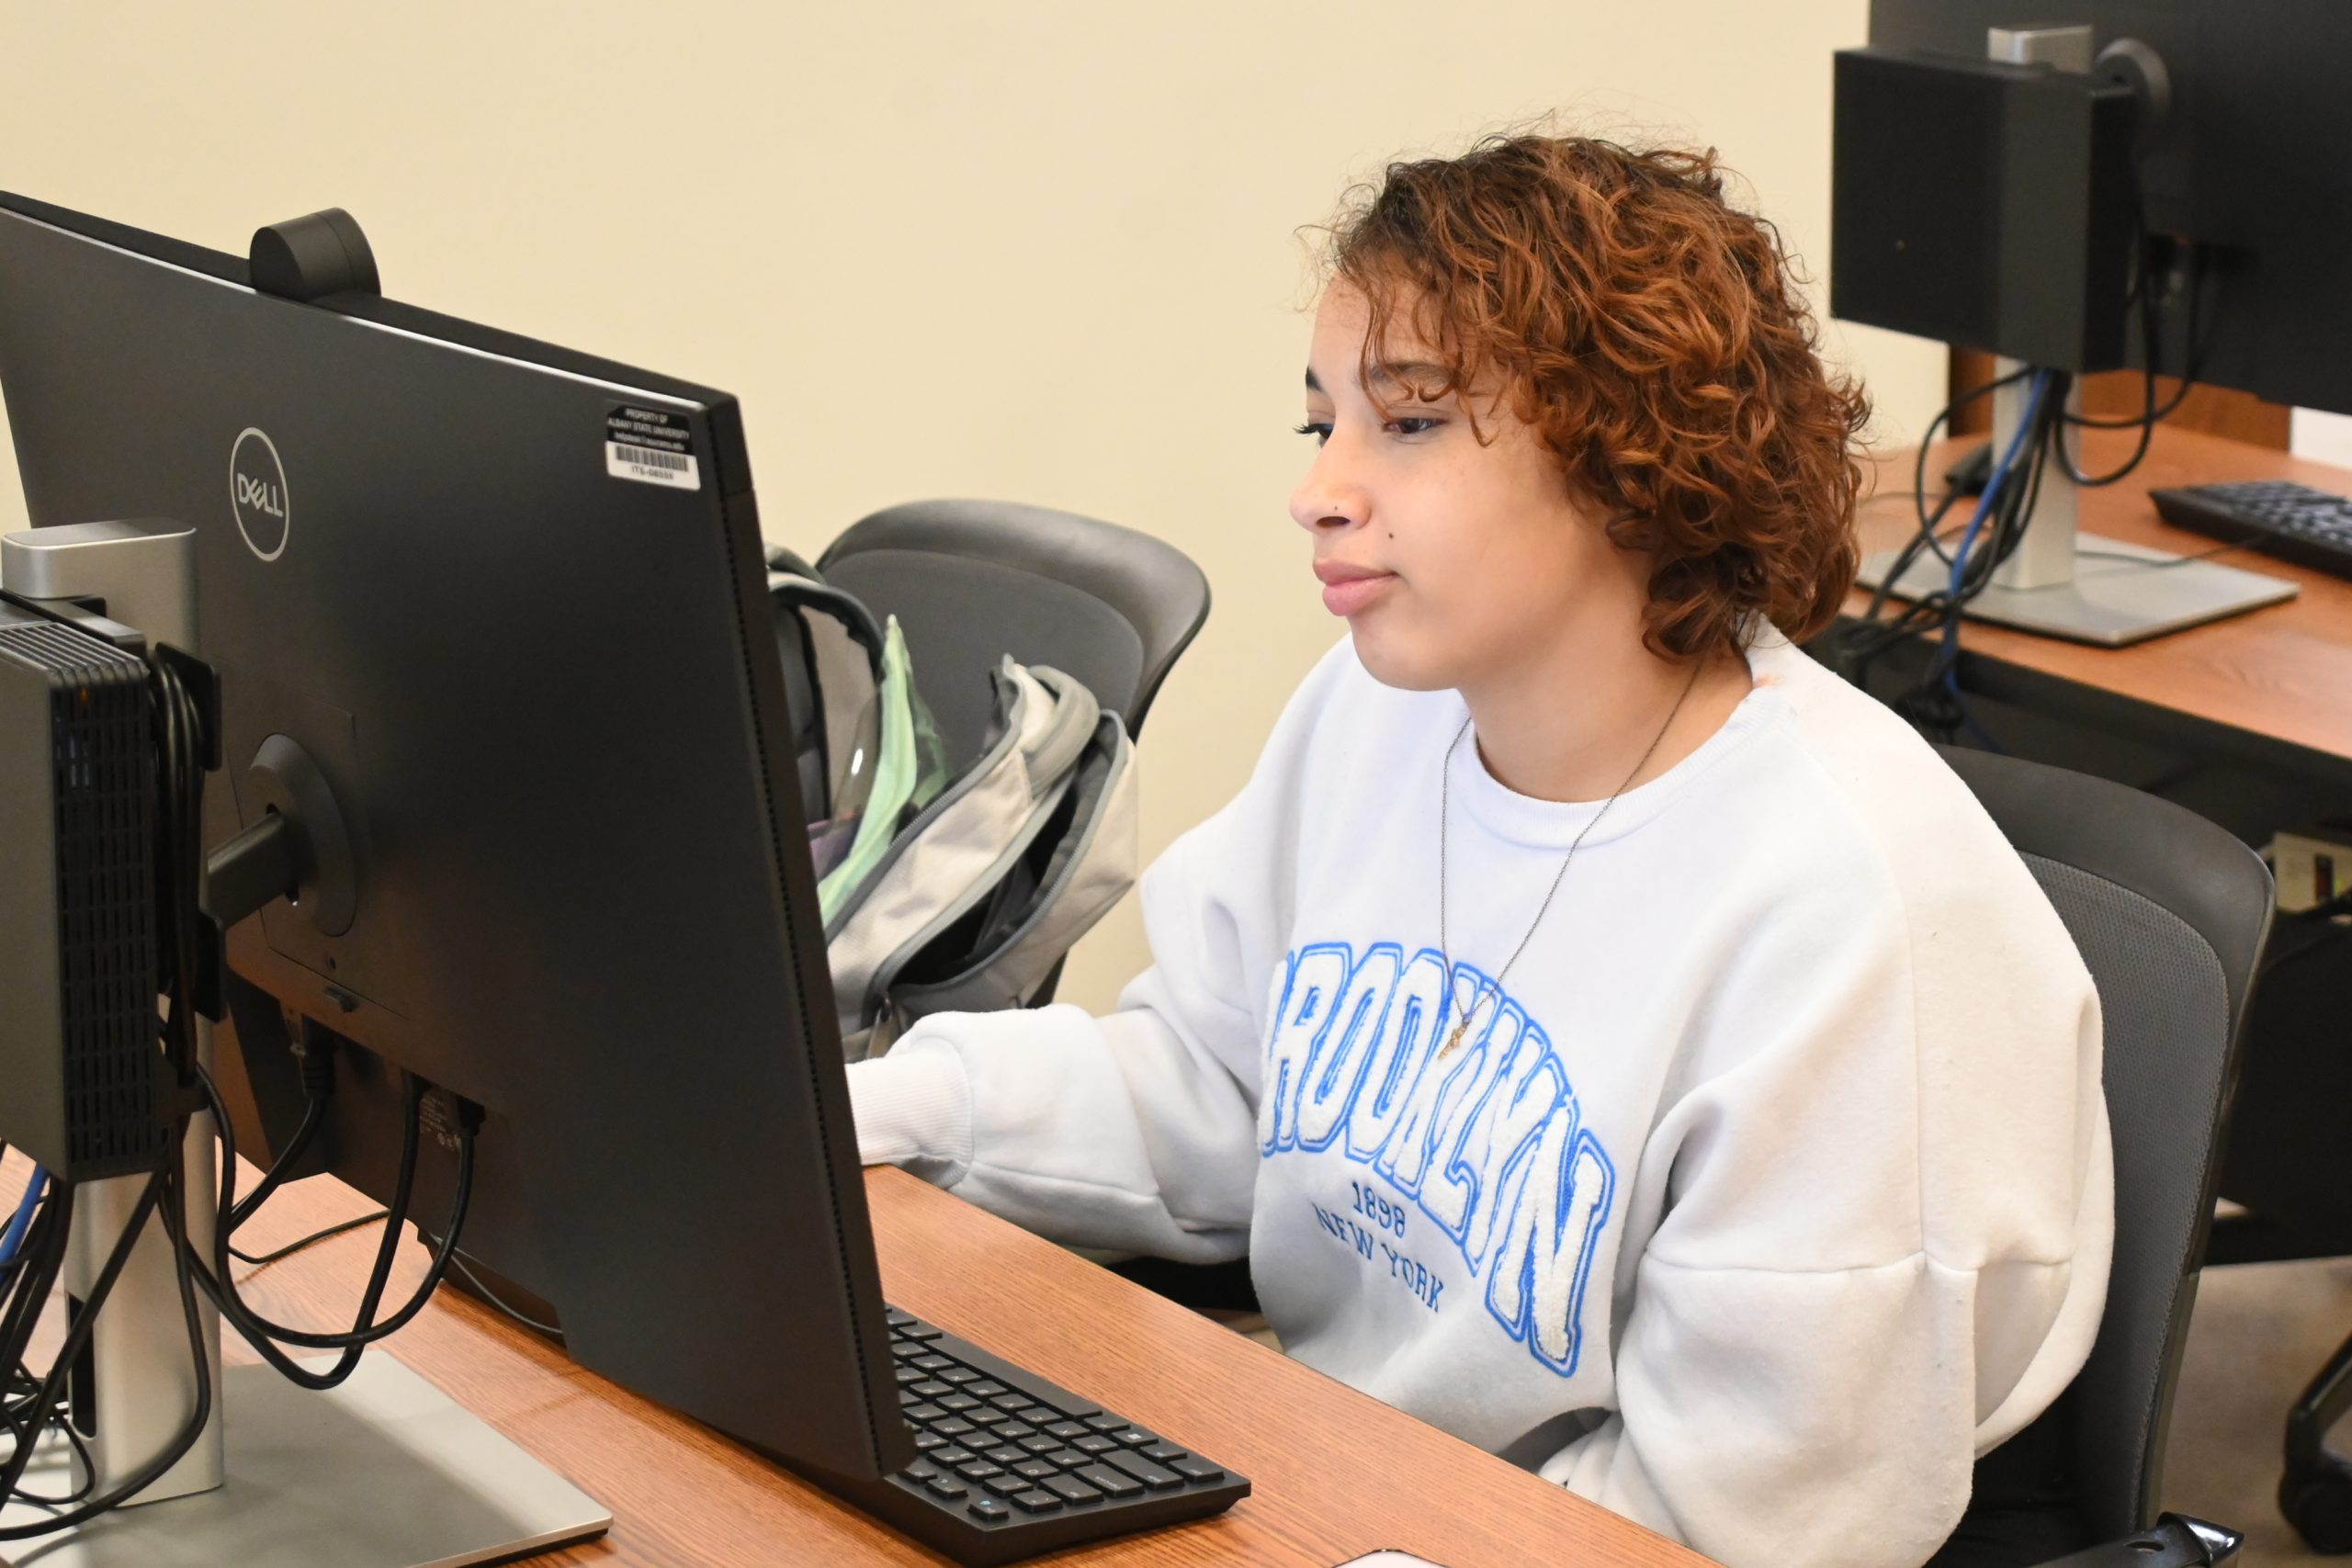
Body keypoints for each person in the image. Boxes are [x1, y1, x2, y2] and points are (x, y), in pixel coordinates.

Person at [846, 132, 2111, 1568]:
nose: (1321, 491)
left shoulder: (1849, 905)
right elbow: (1213, 1084)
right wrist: (874, 1111)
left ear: (1634, 455)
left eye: (1411, 422)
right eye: (1321, 424)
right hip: (1355, 1489)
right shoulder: (1380, 713)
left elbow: (1734, 1517)